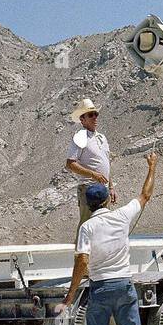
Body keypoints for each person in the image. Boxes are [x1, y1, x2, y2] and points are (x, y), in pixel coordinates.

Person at [59, 153, 159, 325]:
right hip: (124, 286)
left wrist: (69, 297)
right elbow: (145, 196)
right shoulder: (122, 216)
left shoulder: (87, 228)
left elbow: (82, 261)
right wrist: (152, 167)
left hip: (100, 289)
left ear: (89, 205)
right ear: (107, 200)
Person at [66, 98, 115, 229]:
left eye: (96, 114)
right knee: (87, 225)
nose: (95, 117)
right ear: (82, 119)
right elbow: (70, 164)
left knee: (104, 226)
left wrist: (110, 187)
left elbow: (105, 163)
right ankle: (81, 249)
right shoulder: (80, 138)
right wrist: (92, 174)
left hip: (103, 190)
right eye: (91, 115)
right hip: (88, 189)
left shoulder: (102, 138)